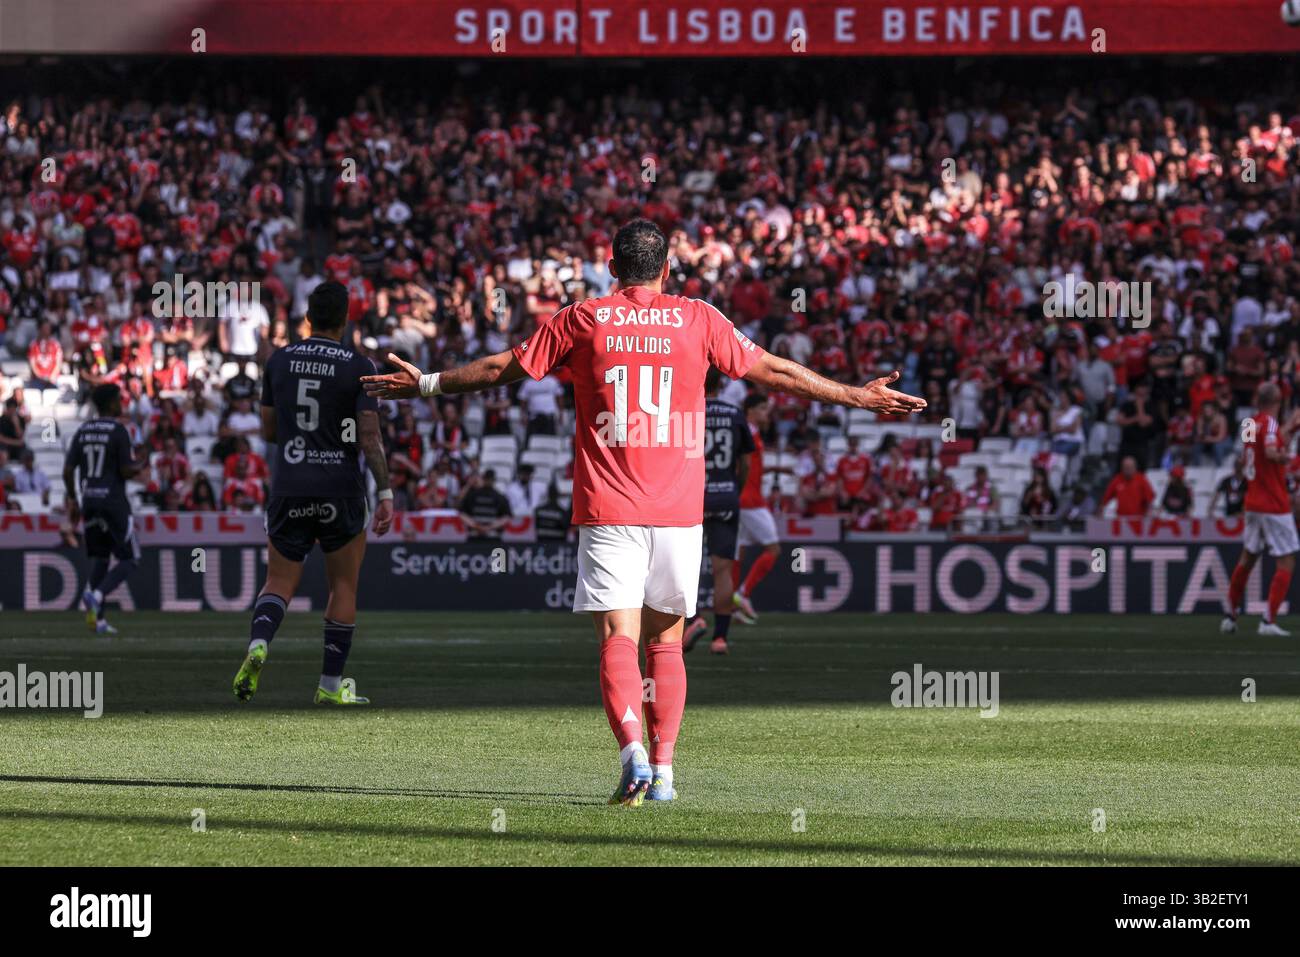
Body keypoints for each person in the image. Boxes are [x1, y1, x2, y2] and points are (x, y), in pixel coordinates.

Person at [361, 218, 925, 806]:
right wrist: (857, 395)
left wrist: (427, 384)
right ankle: (665, 773)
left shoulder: (585, 317)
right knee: (666, 644)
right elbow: (777, 371)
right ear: (667, 269)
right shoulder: (700, 317)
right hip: (680, 512)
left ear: (611, 268)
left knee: (617, 638)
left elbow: (504, 366)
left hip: (609, 508)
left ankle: (630, 751)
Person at [231, 280, 394, 706]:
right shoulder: (359, 365)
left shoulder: (279, 361)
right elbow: (369, 436)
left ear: (308, 318)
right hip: (340, 488)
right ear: (344, 320)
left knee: (279, 581)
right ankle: (330, 684)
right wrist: (387, 491)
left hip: (289, 484)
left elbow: (268, 430)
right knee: (343, 586)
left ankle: (260, 642)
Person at [62, 383, 145, 635]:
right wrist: (142, 462)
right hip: (112, 500)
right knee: (130, 558)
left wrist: (73, 498)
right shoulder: (118, 430)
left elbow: (67, 470)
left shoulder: (83, 430)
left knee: (101, 557)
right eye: (119, 399)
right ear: (110, 403)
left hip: (88, 499)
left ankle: (98, 621)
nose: (122, 403)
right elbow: (125, 470)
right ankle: (95, 595)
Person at [683, 367, 754, 655]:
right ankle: (720, 639)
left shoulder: (687, 412)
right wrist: (735, 487)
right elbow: (746, 461)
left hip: (692, 497)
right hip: (726, 495)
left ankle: (694, 618)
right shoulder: (735, 414)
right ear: (722, 383)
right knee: (722, 571)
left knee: (685, 565)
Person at [1221, 383, 1300, 636]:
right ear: (1279, 401)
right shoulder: (1271, 424)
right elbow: (1270, 451)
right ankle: (1268, 621)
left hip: (1252, 501)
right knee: (1286, 560)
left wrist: (1288, 430)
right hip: (1274, 503)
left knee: (1248, 557)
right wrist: (1285, 457)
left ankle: (1230, 616)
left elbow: (1248, 457)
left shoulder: (1248, 424)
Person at [733, 393, 780, 624]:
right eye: (762, 409)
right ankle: (742, 594)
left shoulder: (749, 431)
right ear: (750, 411)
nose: (766, 413)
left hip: (741, 498)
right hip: (751, 501)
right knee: (773, 549)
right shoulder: (748, 431)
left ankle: (733, 610)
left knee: (738, 552)